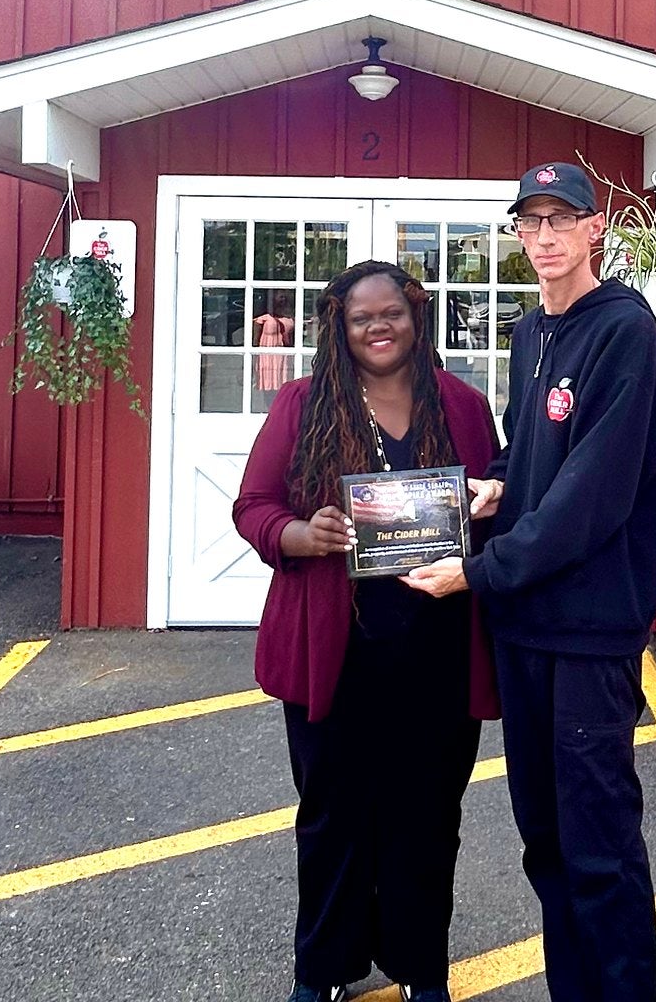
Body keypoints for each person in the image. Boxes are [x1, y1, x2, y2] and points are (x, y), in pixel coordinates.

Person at [404, 162, 656, 1002]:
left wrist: (478, 571)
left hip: (588, 632)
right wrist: (494, 482)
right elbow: (533, 452)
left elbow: (593, 494)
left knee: (599, 845)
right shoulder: (533, 335)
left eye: (563, 219)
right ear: (518, 234)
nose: (547, 236)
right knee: (545, 841)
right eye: (532, 221)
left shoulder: (624, 332)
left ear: (598, 229)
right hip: (524, 627)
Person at [233, 260, 502, 1002]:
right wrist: (297, 534)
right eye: (361, 318)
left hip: (438, 653)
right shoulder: (302, 404)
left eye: (392, 313)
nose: (378, 327)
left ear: (416, 319)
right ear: (339, 329)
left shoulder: (464, 405)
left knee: (426, 819)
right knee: (333, 819)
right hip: (336, 653)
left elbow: (501, 502)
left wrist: (489, 505)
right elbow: (253, 505)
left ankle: (423, 969)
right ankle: (323, 972)